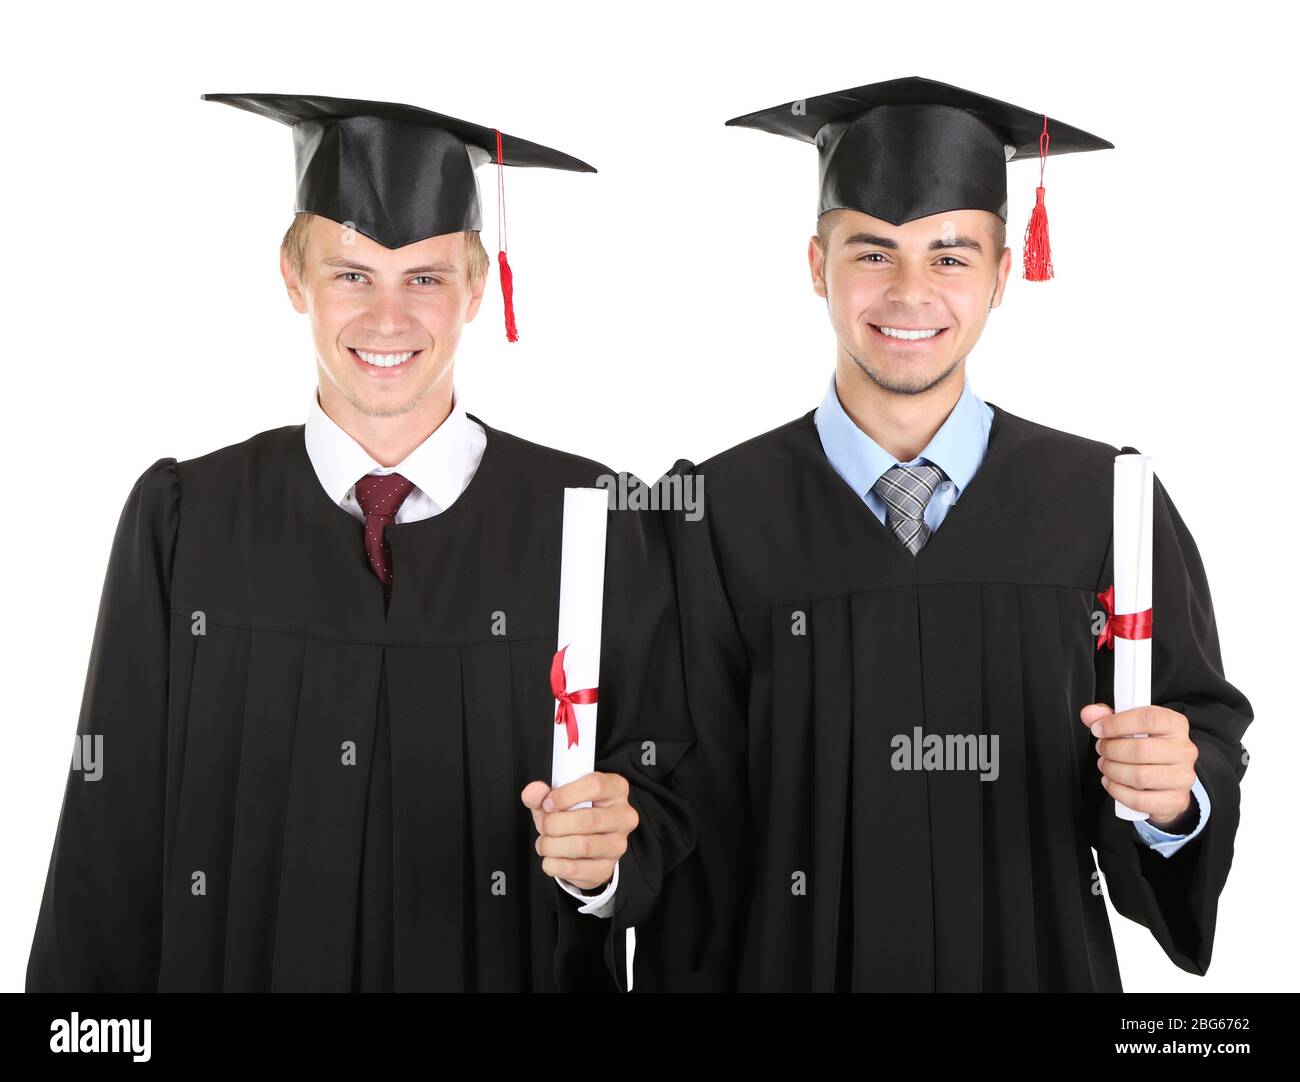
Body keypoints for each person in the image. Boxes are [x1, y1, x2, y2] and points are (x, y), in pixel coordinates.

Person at [25, 93, 693, 992]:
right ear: (293, 277)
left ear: (477, 284)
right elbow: (108, 851)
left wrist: (608, 863)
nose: (388, 319)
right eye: (351, 275)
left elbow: (673, 794)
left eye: (423, 277)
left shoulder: (599, 521)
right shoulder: (185, 522)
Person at [641, 76, 1253, 991]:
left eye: (952, 256)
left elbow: (1197, 725)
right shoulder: (710, 516)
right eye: (873, 253)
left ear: (1005, 274)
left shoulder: (1104, 502)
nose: (911, 293)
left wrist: (1177, 796)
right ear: (818, 266)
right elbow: (688, 811)